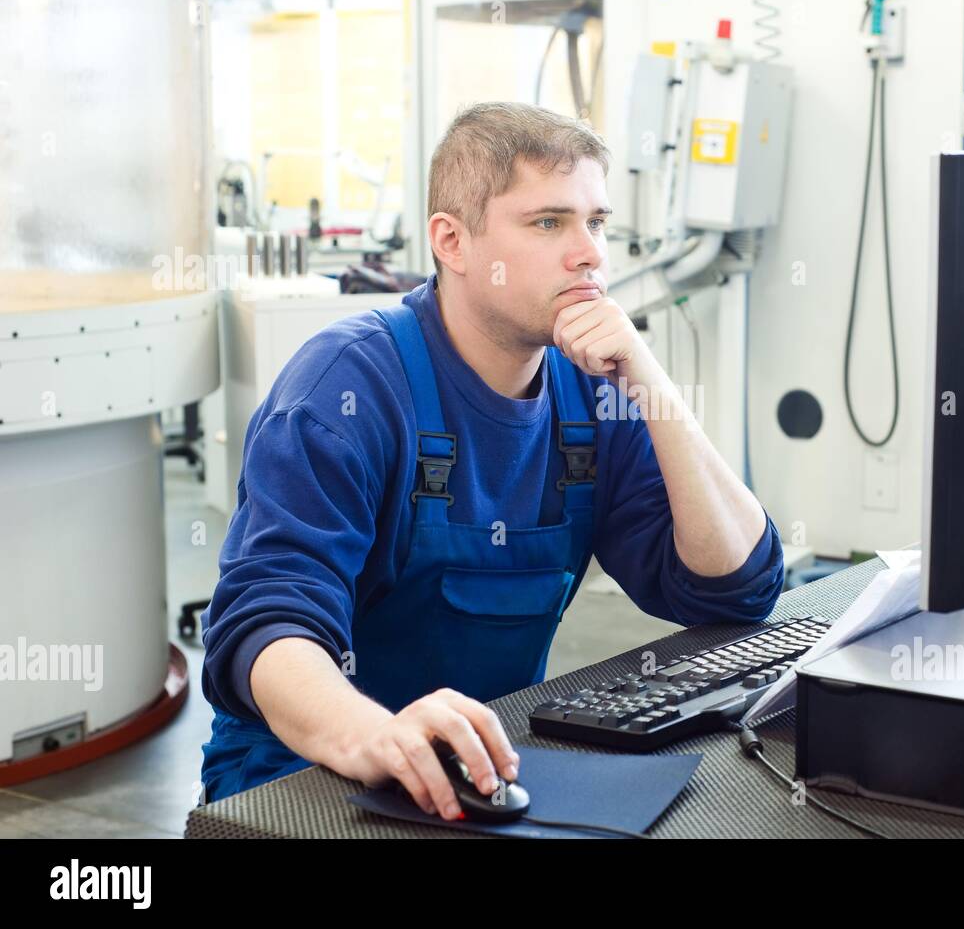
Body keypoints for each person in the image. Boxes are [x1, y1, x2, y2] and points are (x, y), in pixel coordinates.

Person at [200, 102, 784, 820]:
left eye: (596, 222)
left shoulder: (593, 394)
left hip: (482, 766)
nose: (591, 252)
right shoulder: (346, 389)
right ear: (453, 240)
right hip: (305, 773)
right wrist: (377, 736)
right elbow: (266, 624)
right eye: (549, 223)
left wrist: (650, 381)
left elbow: (732, 590)